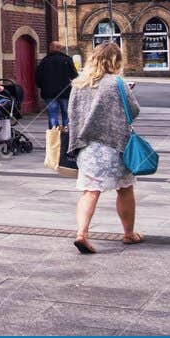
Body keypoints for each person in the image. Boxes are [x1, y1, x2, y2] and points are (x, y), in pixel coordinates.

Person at [67, 41, 144, 253]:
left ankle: (81, 234)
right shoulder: (116, 83)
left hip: (87, 147)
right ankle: (128, 234)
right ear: (115, 61)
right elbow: (134, 110)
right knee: (125, 189)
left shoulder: (79, 84)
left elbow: (72, 115)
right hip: (114, 145)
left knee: (90, 191)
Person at [35, 41, 79, 128]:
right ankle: (66, 133)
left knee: (52, 114)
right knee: (66, 113)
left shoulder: (45, 61)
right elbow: (75, 76)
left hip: (49, 93)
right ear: (60, 48)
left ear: (52, 48)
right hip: (65, 92)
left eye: (51, 47)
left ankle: (54, 136)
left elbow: (38, 77)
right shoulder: (67, 59)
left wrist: (42, 87)